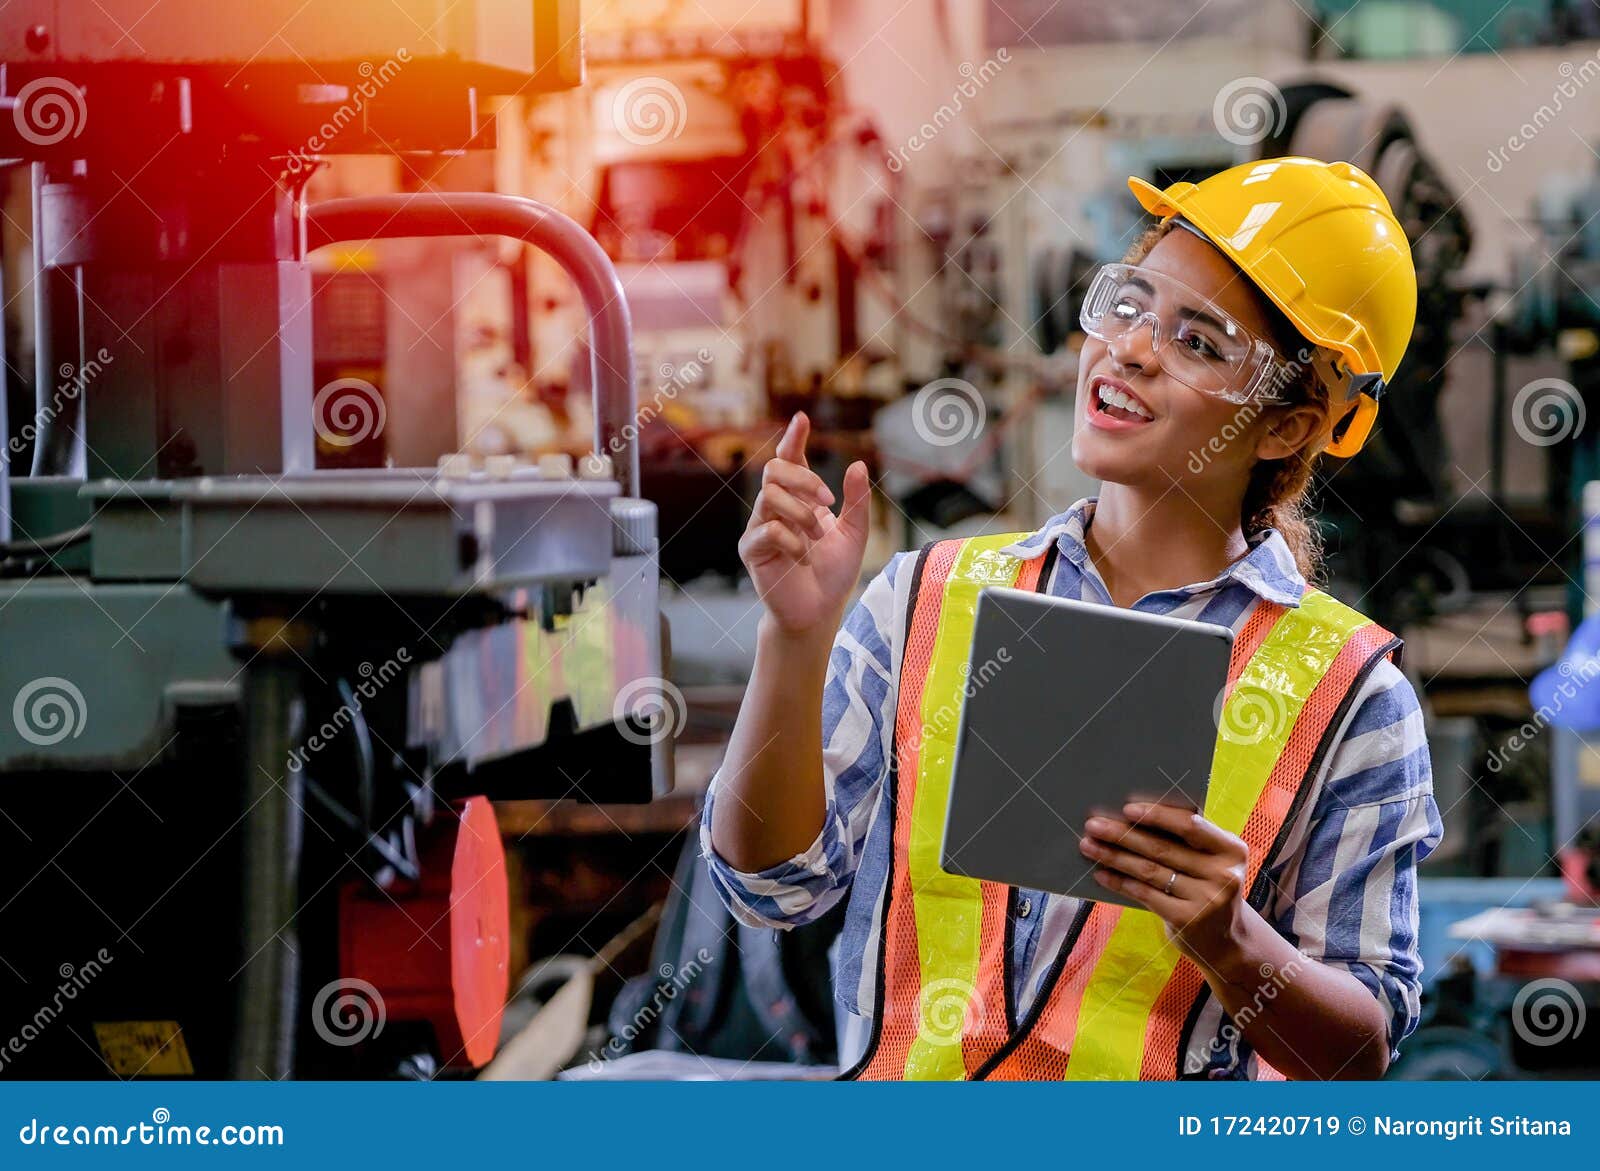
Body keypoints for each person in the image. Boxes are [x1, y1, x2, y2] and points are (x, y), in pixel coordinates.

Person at [700, 156, 1443, 1080]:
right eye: (1131, 304)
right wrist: (795, 637)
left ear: (1286, 427)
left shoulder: (1352, 695)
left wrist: (1230, 937)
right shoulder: (927, 597)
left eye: (1199, 342)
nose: (1130, 348)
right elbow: (773, 887)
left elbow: (1359, 1056)